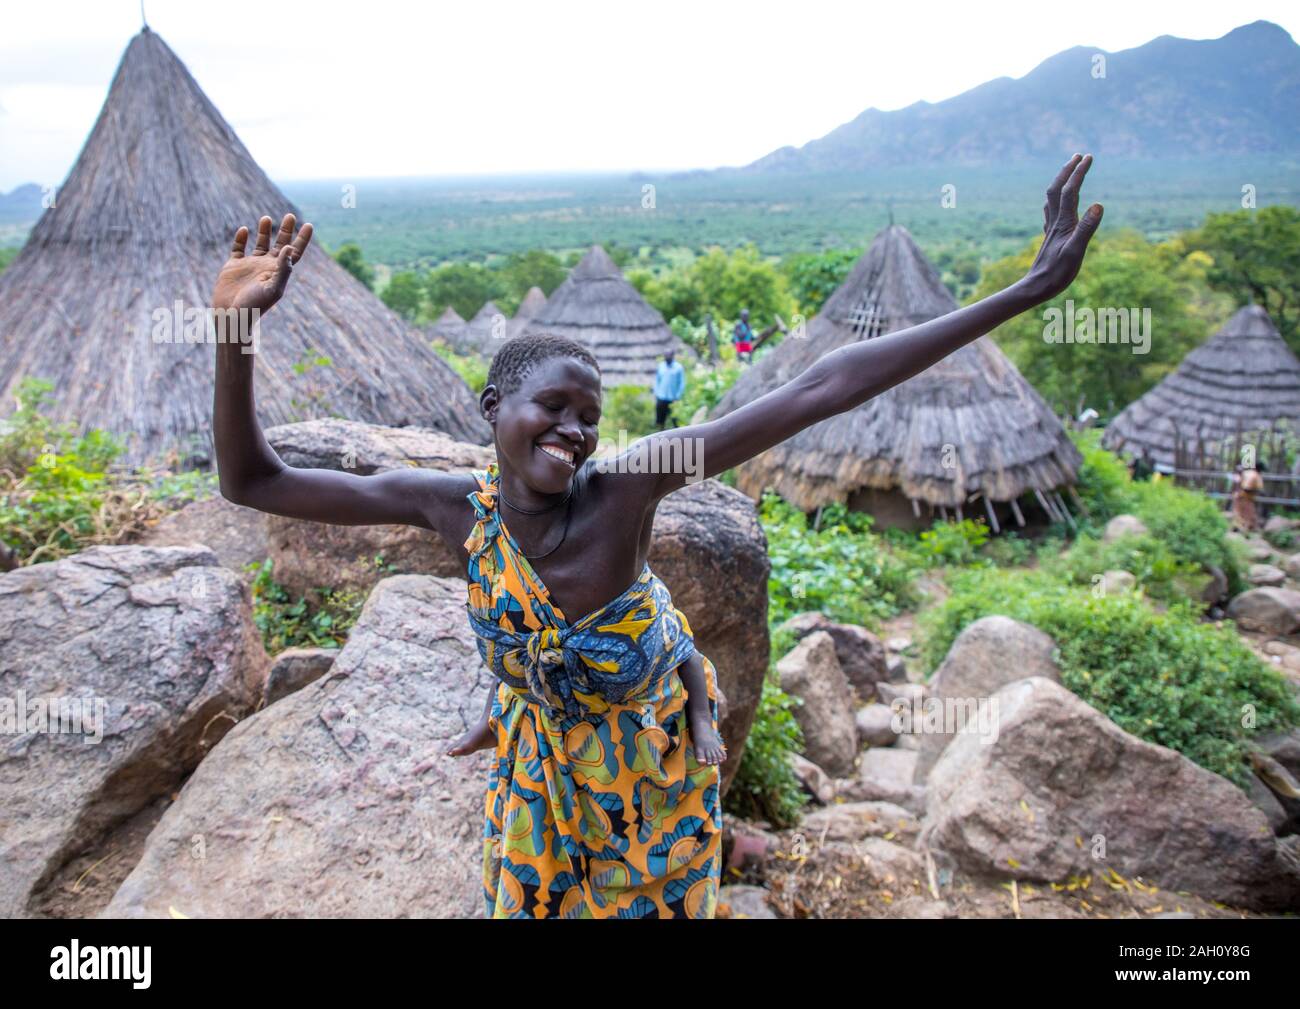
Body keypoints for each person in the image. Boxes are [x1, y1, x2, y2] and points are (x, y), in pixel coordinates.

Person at [210, 154, 1102, 919]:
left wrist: (1023, 293)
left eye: (590, 417)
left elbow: (817, 389)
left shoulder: (628, 486)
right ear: (493, 409)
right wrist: (236, 334)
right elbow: (255, 481)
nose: (575, 430)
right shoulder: (449, 506)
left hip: (652, 770)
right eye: (552, 407)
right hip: (542, 775)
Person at [652, 348, 686, 430]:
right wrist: (656, 393)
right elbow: (657, 380)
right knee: (660, 422)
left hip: (673, 399)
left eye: (668, 355)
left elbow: (681, 383)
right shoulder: (661, 366)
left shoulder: (678, 368)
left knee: (675, 421)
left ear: (672, 356)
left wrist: (677, 397)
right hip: (661, 398)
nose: (667, 357)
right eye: (665, 355)